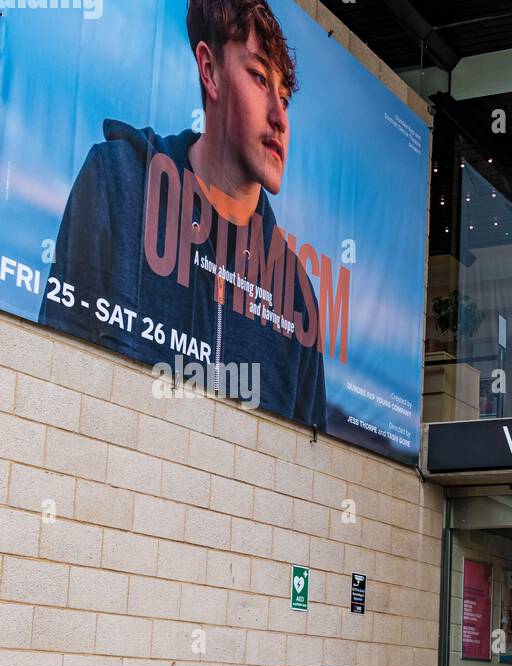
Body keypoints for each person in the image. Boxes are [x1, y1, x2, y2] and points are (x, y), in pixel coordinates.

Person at [42, 0, 326, 431]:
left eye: (284, 97)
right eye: (259, 77)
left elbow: (306, 471)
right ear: (209, 71)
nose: (279, 117)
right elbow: (54, 377)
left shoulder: (297, 299)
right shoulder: (116, 181)